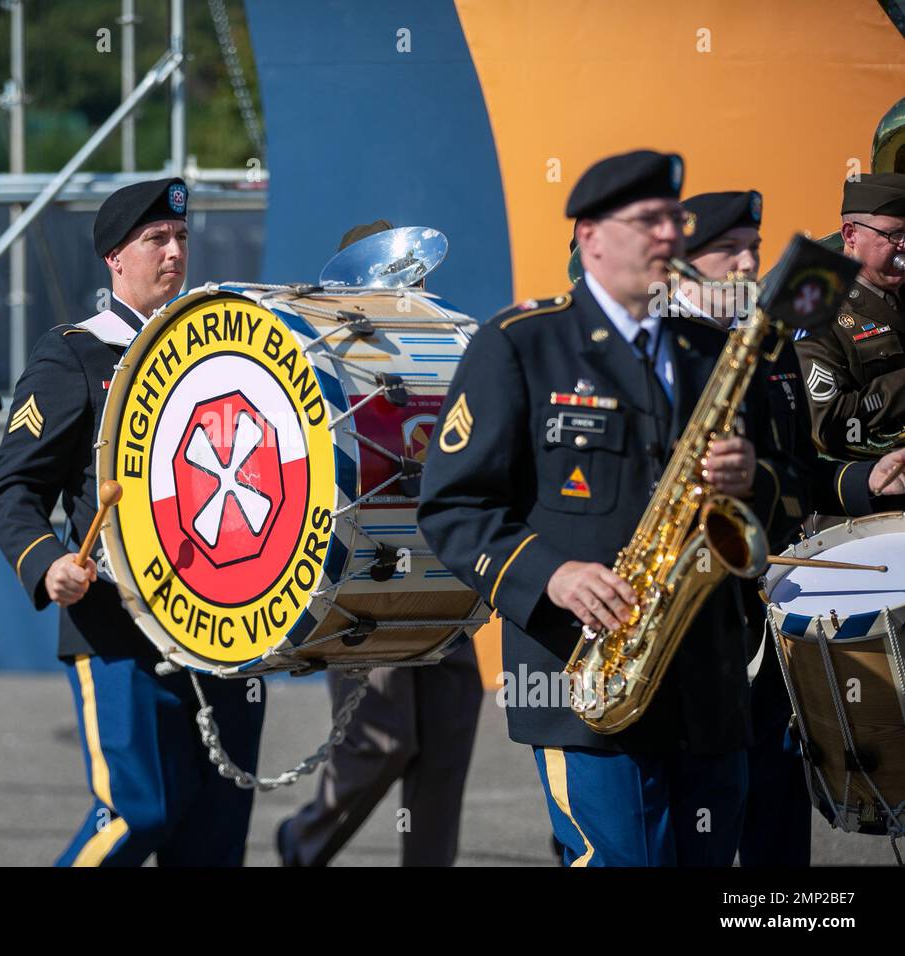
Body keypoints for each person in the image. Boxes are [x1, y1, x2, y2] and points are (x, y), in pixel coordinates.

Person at [418, 150, 810, 867]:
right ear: (591, 236)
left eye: (674, 220)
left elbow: (787, 496)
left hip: (708, 683)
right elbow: (454, 507)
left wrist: (752, 479)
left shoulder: (715, 353)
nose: (668, 236)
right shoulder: (521, 344)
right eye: (648, 221)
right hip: (586, 680)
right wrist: (553, 575)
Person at [0, 178, 266, 867]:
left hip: (222, 628)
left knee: (214, 839)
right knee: (138, 811)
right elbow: (13, 488)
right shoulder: (76, 353)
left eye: (182, 238)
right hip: (117, 627)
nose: (175, 251)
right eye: (155, 239)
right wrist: (47, 561)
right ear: (114, 257)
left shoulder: (221, 352)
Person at [676, 189, 905, 865]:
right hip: (684, 608)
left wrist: (866, 481)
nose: (750, 265)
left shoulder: (767, 348)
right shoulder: (650, 352)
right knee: (694, 815)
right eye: (730, 251)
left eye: (754, 248)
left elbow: (801, 468)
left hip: (766, 598)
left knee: (774, 797)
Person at [275, 220, 482, 867]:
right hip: (372, 578)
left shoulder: (437, 355)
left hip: (444, 579)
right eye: (393, 280)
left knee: (446, 743)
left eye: (412, 279)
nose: (408, 293)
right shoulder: (336, 367)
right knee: (381, 741)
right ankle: (302, 842)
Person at [796, 173, 905, 459]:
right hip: (879, 474)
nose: (904, 246)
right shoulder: (818, 313)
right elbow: (830, 422)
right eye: (895, 235)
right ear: (850, 235)